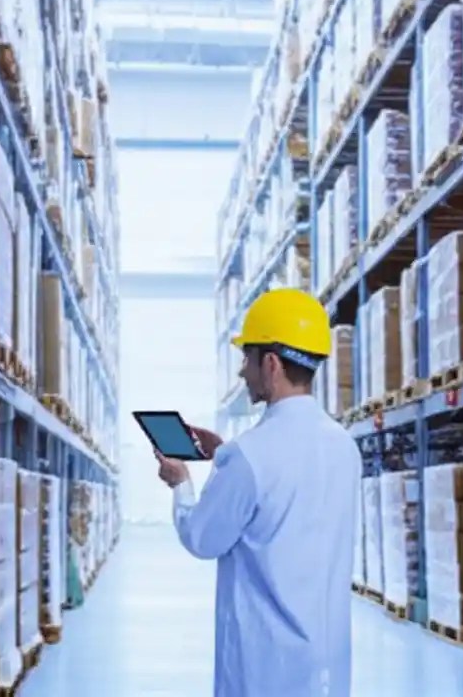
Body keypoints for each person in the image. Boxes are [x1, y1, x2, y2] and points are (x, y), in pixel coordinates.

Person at [155, 287, 362, 697]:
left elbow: (203, 537)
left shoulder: (250, 456)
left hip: (266, 668)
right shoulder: (343, 445)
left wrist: (181, 484)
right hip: (325, 666)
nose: (241, 372)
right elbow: (288, 499)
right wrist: (224, 457)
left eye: (245, 359)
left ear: (270, 364)